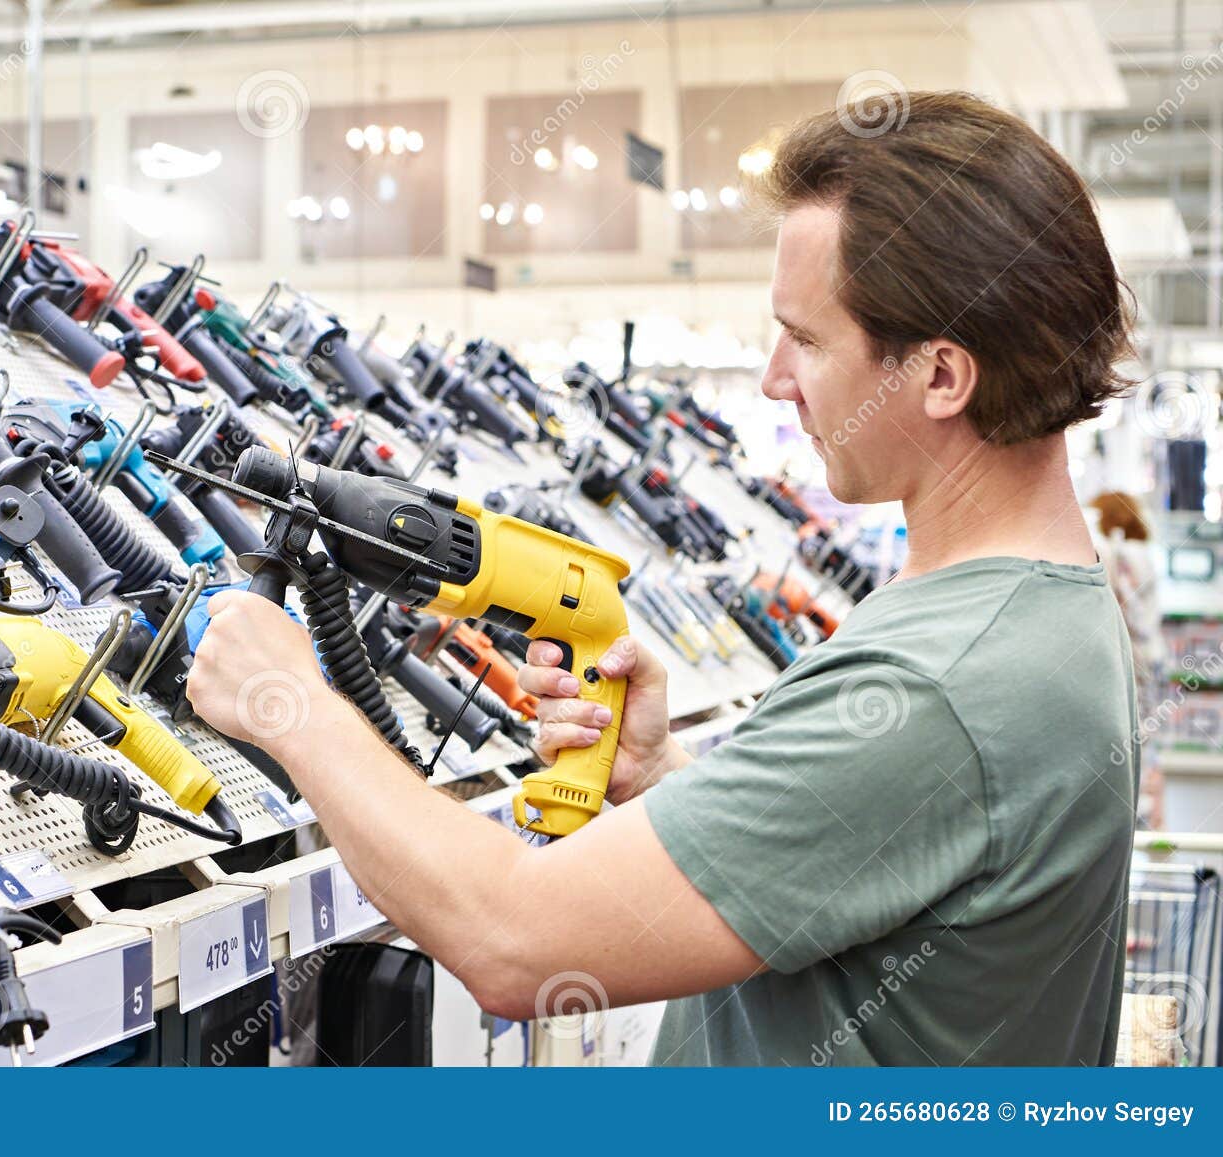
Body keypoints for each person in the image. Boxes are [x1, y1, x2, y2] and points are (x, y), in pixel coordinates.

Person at [185, 91, 1141, 1066]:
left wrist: (291, 702)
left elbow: (514, 940)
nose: (774, 377)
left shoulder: (939, 683)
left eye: (806, 339)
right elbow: (880, 904)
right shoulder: (1044, 612)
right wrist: (667, 791)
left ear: (940, 376)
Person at [1089, 490, 1166, 829]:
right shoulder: (1144, 554)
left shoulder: (1114, 553)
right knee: (1144, 745)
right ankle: (1144, 817)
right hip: (1148, 661)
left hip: (1123, 661)